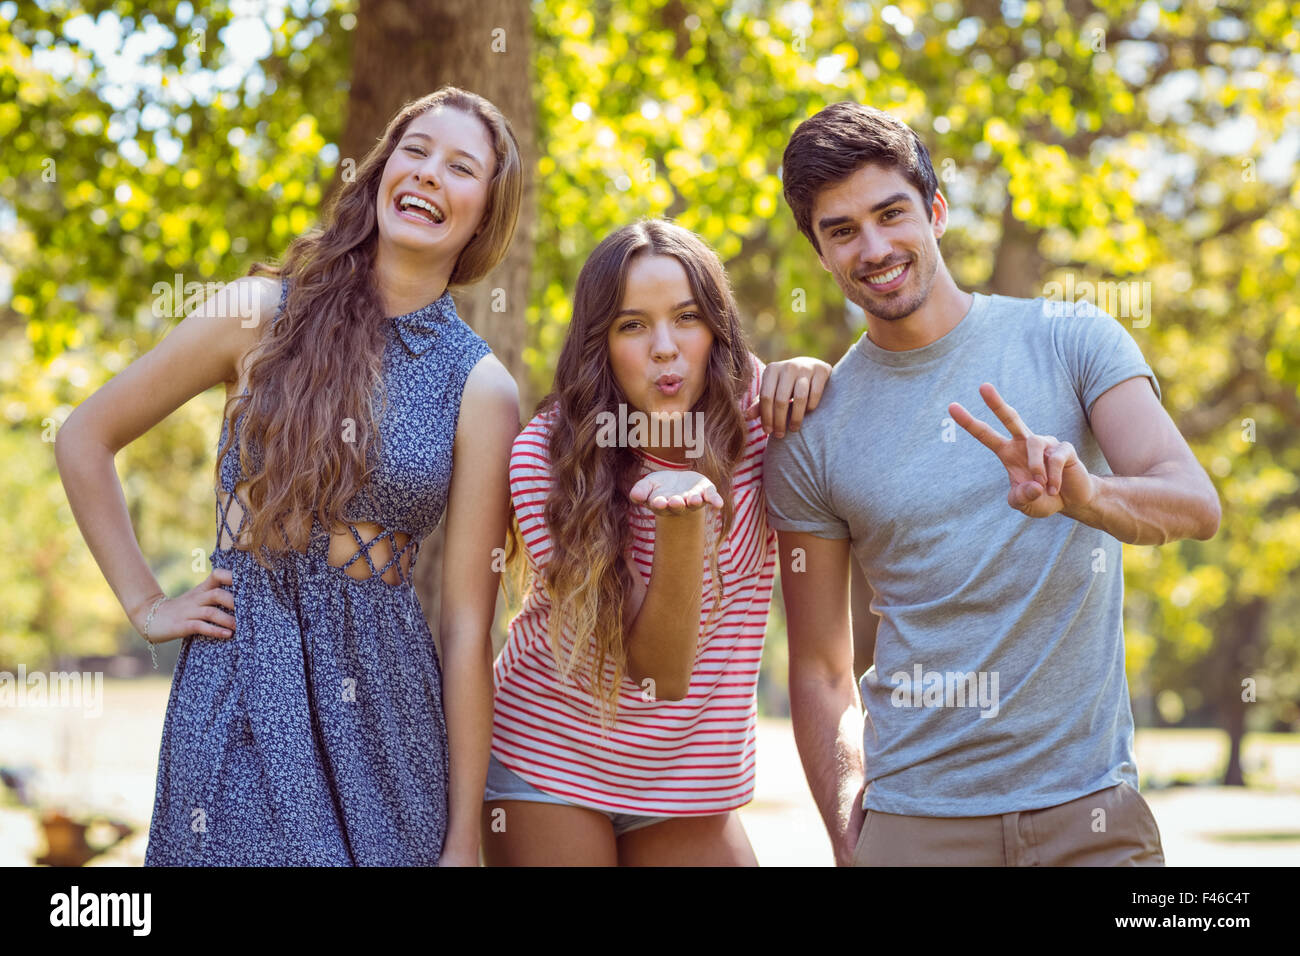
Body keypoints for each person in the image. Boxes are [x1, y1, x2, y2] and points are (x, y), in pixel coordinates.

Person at [55, 87, 523, 865]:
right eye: (415, 151)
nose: (430, 174)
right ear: (380, 172)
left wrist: (465, 836)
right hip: (240, 680)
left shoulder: (482, 388)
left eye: (460, 167)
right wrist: (147, 603)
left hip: (387, 721)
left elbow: (468, 628)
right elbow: (84, 437)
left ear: (485, 215)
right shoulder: (261, 314)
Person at [765, 102, 1222, 867]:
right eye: (842, 230)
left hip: (1093, 818)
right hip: (917, 823)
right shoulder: (812, 431)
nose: (874, 248)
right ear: (819, 250)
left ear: (936, 212)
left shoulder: (1073, 340)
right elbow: (819, 666)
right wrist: (855, 834)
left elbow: (1193, 503)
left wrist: (1089, 497)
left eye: (891, 213)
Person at [481, 218, 830, 865]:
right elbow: (658, 670)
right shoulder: (549, 457)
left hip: (686, 777)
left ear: (715, 332)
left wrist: (814, 373)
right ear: (601, 344)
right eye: (632, 324)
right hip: (548, 754)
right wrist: (682, 516)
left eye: (687, 318)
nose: (664, 347)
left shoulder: (762, 417)